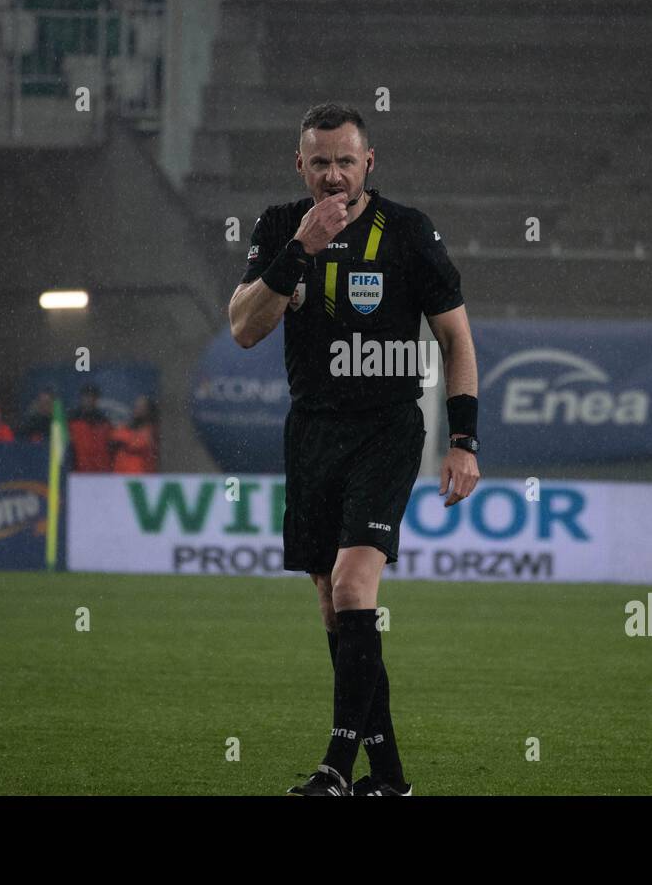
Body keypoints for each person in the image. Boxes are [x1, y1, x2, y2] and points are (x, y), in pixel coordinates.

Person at [228, 102, 480, 796]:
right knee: (333, 605)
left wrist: (463, 440)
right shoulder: (282, 227)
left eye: (345, 160)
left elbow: (456, 338)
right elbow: (244, 328)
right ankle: (390, 777)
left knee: (352, 585)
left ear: (369, 162)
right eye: (320, 162)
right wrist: (300, 250)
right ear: (300, 165)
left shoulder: (407, 230)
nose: (333, 174)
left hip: (386, 428)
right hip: (311, 431)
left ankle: (336, 767)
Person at [67, 383, 113, 472]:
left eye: (92, 397)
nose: (89, 400)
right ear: (81, 399)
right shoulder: (72, 420)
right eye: (86, 397)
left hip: (101, 471)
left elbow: (108, 447)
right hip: (79, 471)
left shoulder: (104, 422)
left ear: (96, 400)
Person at [109, 395, 159, 473]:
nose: (137, 409)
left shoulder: (151, 429)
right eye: (136, 406)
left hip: (140, 477)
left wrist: (126, 438)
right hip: (120, 475)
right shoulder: (128, 427)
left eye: (141, 407)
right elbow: (114, 436)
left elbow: (139, 444)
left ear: (148, 410)